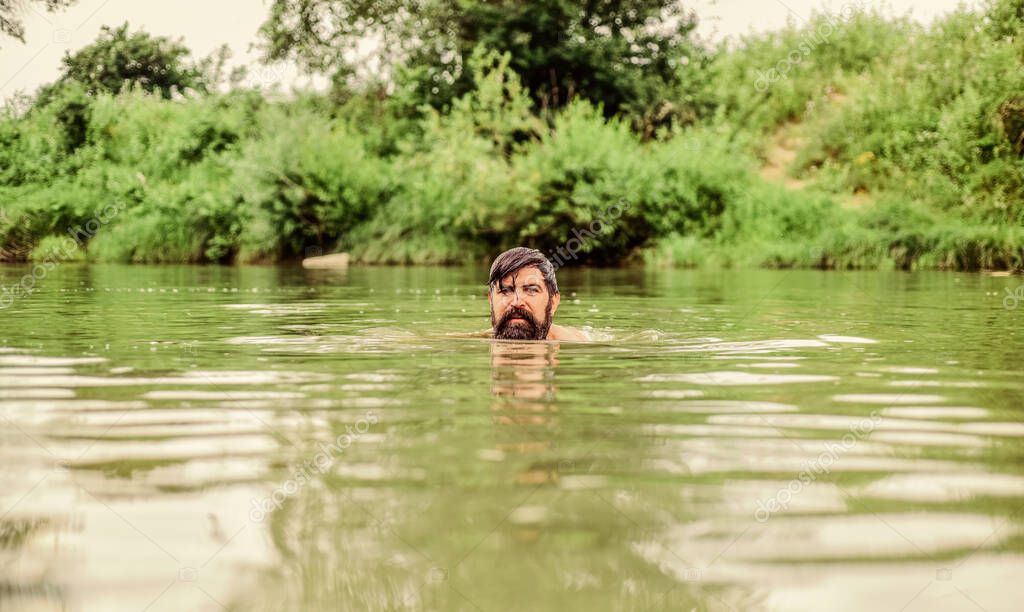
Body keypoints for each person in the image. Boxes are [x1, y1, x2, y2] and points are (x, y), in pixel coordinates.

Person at [487, 247, 588, 341]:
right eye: (505, 291)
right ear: (491, 300)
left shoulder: (576, 343)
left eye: (531, 290)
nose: (516, 302)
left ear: (553, 302)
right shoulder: (476, 339)